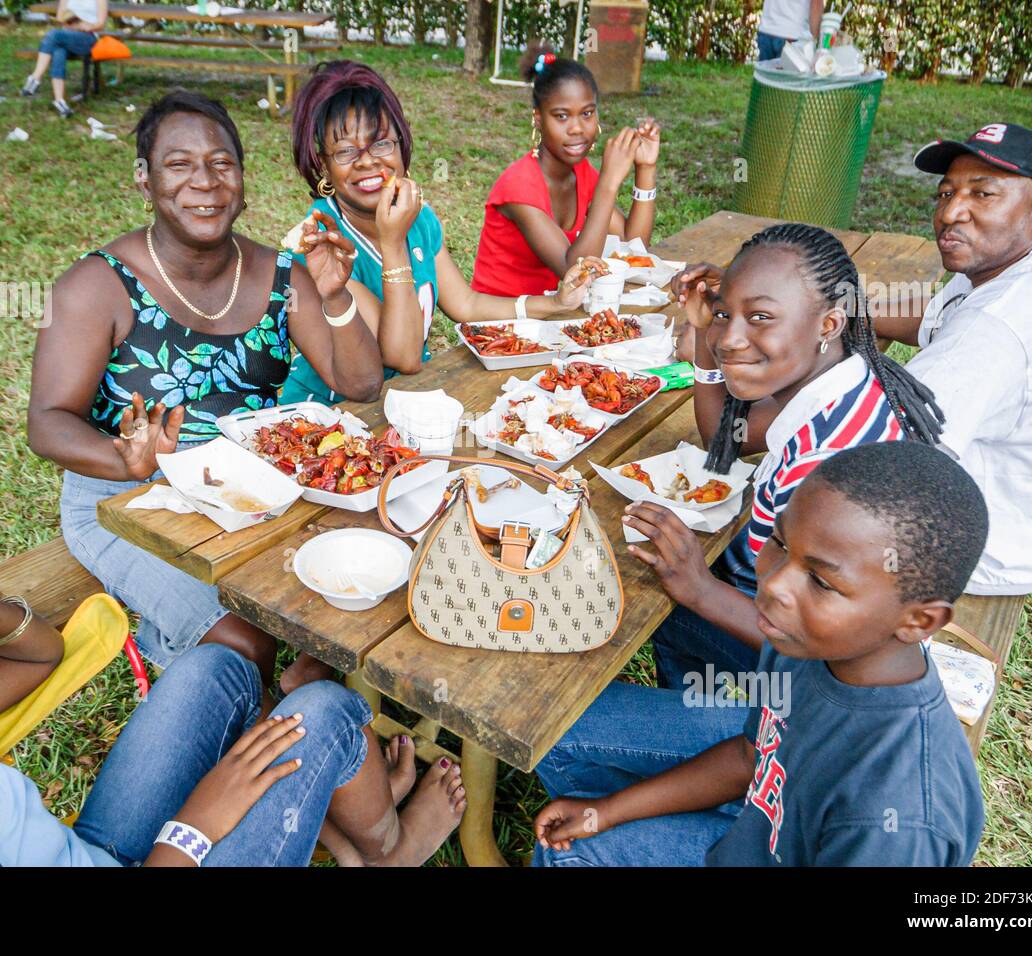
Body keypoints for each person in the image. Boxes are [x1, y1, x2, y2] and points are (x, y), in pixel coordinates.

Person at [0, 498, 467, 866]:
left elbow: (36, 655)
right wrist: (196, 826)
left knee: (216, 666)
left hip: (91, 853)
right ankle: (388, 849)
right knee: (317, 710)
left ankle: (340, 822)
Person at [27, 91, 384, 691]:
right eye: (179, 165)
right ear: (144, 179)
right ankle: (174, 654)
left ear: (242, 181)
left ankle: (295, 685)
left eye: (222, 164)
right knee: (244, 640)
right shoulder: (96, 286)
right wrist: (123, 457)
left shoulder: (282, 275)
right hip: (128, 502)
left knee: (359, 586)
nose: (206, 183)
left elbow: (360, 383)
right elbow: (47, 421)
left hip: (252, 490)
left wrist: (336, 297)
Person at [533, 441, 988, 866]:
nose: (773, 585)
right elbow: (750, 757)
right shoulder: (809, 645)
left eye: (823, 582)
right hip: (764, 825)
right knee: (559, 720)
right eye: (781, 544)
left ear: (918, 622)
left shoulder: (896, 819)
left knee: (566, 856)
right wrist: (606, 812)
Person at [644, 223, 944, 689]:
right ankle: (700, 703)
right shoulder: (847, 381)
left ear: (828, 323)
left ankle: (742, 732)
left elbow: (816, 651)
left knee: (645, 608)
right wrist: (707, 339)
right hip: (801, 607)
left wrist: (701, 591)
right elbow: (729, 438)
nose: (729, 340)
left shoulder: (825, 466)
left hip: (822, 687)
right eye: (725, 315)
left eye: (761, 317)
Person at [280, 59, 605, 406]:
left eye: (380, 143)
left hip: (405, 403)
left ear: (401, 142)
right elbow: (403, 356)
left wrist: (555, 302)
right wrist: (392, 243)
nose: (367, 160)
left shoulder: (418, 219)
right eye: (345, 150)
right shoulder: (319, 244)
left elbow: (465, 303)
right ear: (322, 164)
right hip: (330, 418)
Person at [873, 123, 1032, 596]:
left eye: (983, 194)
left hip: (996, 550)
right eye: (945, 192)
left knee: (754, 531)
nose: (951, 212)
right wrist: (834, 311)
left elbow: (881, 455)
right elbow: (934, 320)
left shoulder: (995, 327)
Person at [470, 46, 660, 297]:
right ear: (538, 119)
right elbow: (574, 270)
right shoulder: (519, 186)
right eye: (561, 116)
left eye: (587, 113)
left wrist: (645, 169)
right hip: (500, 322)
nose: (577, 129)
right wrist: (608, 184)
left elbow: (634, 245)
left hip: (552, 314)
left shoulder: (581, 173)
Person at [19, 0, 109, 119]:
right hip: (66, 35)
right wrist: (72, 23)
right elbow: (60, 17)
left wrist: (86, 26)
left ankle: (35, 77)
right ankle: (60, 101)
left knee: (53, 35)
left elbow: (101, 24)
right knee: (58, 51)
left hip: (87, 37)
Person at [756, 0, 823, 61]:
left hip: (766, 29)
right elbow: (816, 3)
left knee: (764, 73)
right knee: (789, 73)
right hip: (792, 34)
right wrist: (813, 39)